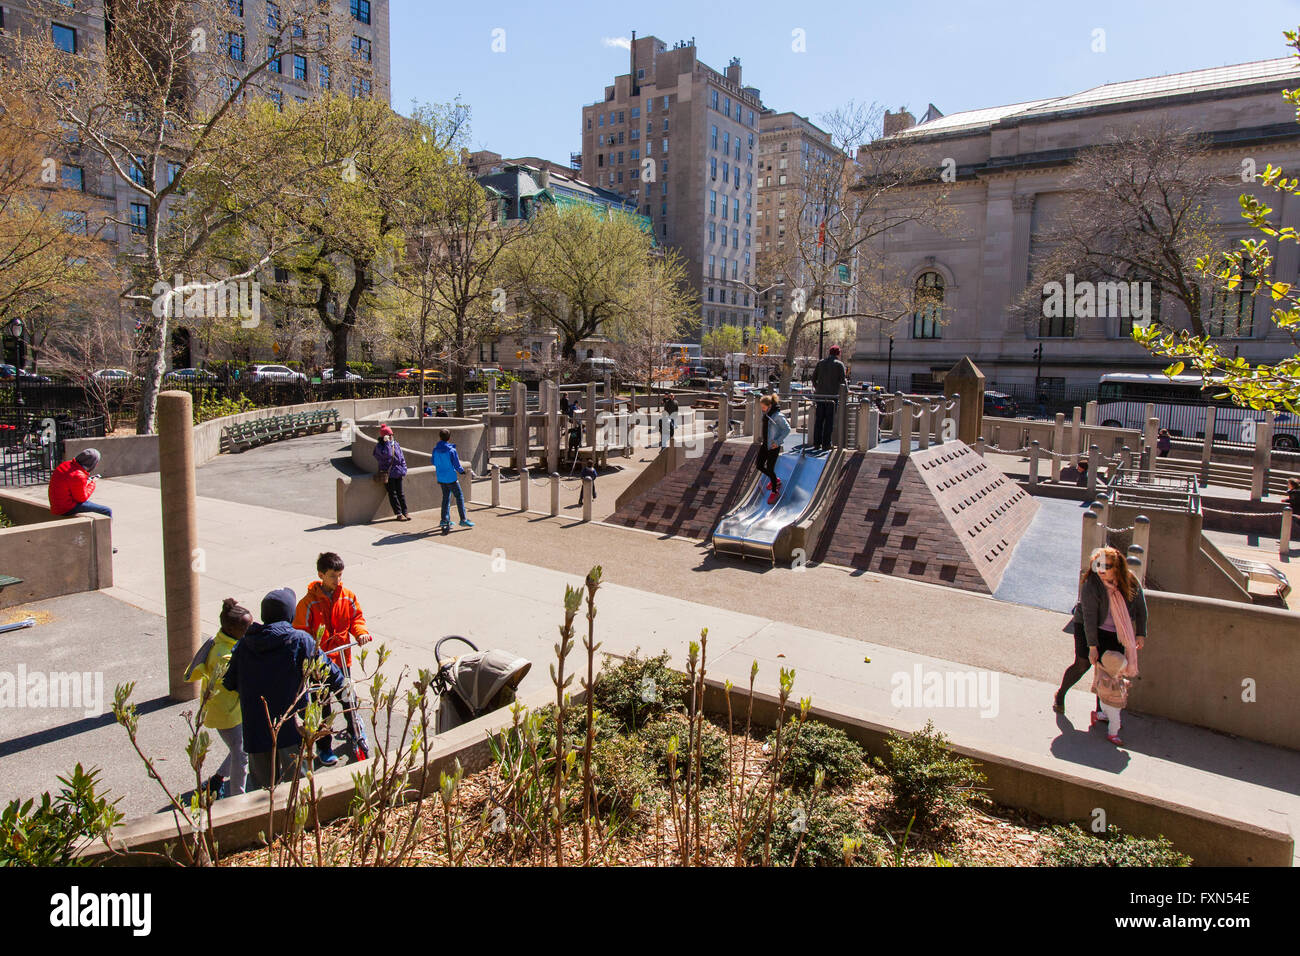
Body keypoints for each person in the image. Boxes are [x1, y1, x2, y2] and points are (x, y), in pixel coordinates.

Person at [223, 587, 347, 787]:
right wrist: (345, 692)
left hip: (256, 728)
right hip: (292, 727)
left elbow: (229, 681)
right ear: (290, 613)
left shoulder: (245, 644)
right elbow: (332, 674)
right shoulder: (299, 640)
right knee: (297, 789)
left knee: (263, 793)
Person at [292, 553, 372, 763]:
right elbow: (300, 634)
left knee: (348, 699)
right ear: (321, 575)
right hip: (320, 665)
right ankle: (324, 746)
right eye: (333, 576)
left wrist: (361, 632)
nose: (337, 580)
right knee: (323, 706)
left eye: (340, 575)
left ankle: (356, 732)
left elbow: (356, 618)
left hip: (342, 661)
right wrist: (312, 655)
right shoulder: (307, 604)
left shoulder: (347, 596)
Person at [1053, 545, 1144, 719]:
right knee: (1082, 664)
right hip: (1087, 626)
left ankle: (1101, 710)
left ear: (1117, 567)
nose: (1101, 570)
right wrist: (1092, 647)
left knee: (1110, 669)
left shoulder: (1129, 581)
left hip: (1115, 630)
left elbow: (1141, 608)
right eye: (1098, 565)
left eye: (1106, 566)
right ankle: (1060, 694)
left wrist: (1141, 633)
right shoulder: (1091, 584)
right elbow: (1089, 618)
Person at [185, 598, 252, 798]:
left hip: (229, 710)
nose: (251, 629)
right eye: (247, 627)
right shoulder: (225, 656)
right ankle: (237, 798)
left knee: (239, 748)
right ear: (233, 629)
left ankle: (216, 780)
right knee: (241, 755)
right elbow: (239, 684)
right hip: (227, 714)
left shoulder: (224, 640)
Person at [48, 449, 111, 518]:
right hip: (65, 508)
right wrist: (92, 483)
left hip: (56, 505)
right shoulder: (78, 475)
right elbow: (82, 499)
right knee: (107, 511)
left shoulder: (66, 464)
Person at [432, 428, 473, 532]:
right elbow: (456, 464)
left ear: (440, 437)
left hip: (441, 477)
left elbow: (433, 462)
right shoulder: (451, 450)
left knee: (445, 498)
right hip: (451, 477)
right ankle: (463, 519)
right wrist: (461, 471)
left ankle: (444, 519)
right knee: (459, 497)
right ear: (449, 438)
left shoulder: (435, 449)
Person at [811, 346, 848, 451]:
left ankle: (816, 443)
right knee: (829, 421)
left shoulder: (820, 363)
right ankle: (826, 444)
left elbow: (813, 379)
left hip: (820, 396)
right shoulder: (839, 364)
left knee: (819, 420)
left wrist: (818, 388)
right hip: (832, 397)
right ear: (838, 353)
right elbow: (843, 381)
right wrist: (847, 391)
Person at [1091, 650, 1131, 746]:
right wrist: (1108, 684)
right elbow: (1105, 689)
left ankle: (1096, 715)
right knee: (1115, 720)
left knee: (1108, 715)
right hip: (1110, 703)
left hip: (1112, 703)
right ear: (1113, 669)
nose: (1123, 671)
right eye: (1121, 669)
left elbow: (1119, 682)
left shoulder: (1115, 675)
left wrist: (1125, 683)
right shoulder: (1107, 678)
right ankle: (1113, 734)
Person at [757, 394, 791, 505]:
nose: (762, 409)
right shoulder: (766, 415)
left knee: (770, 469)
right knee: (759, 465)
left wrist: (777, 442)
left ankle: (775, 491)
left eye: (763, 407)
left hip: (773, 446)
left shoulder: (778, 416)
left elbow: (787, 429)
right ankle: (775, 480)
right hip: (765, 444)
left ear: (770, 405)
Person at [372, 424, 410, 521]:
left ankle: (405, 511)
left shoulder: (396, 444)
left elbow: (401, 457)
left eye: (391, 434)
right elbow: (387, 455)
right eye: (389, 435)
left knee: (400, 493)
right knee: (392, 493)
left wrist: (404, 468)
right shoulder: (380, 447)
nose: (391, 436)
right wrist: (387, 443)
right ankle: (398, 513)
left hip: (398, 472)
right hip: (388, 474)